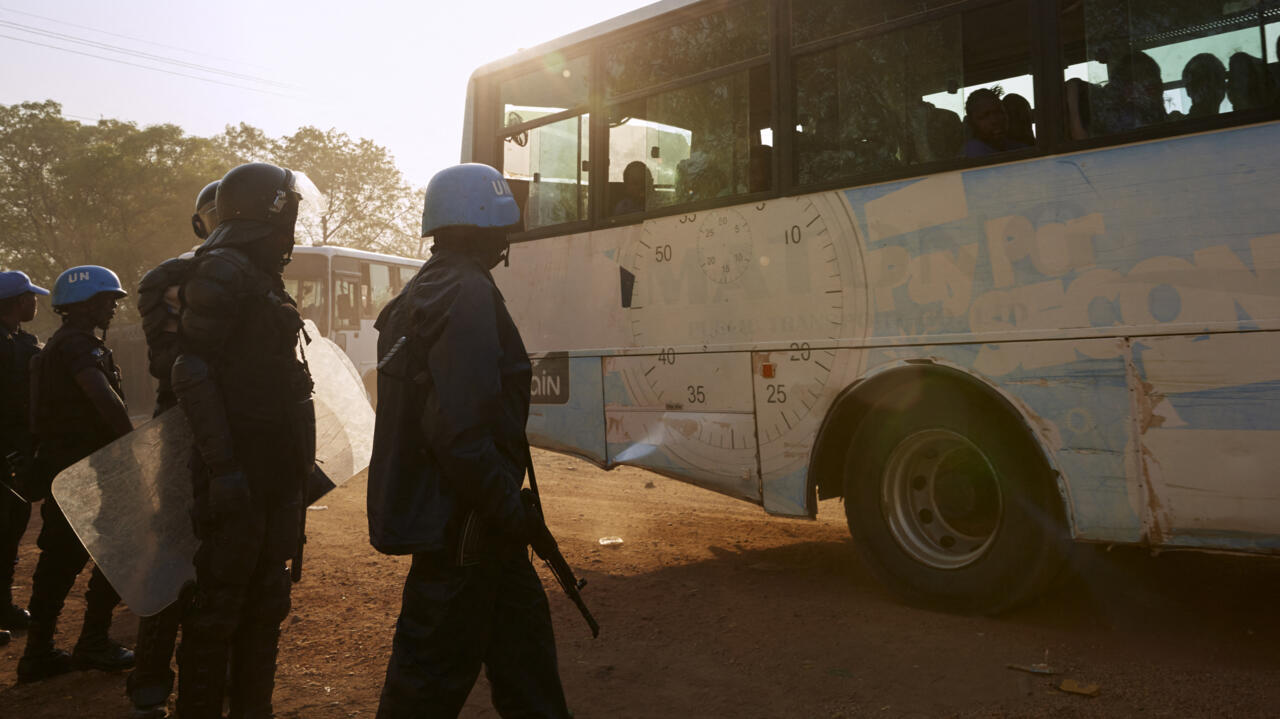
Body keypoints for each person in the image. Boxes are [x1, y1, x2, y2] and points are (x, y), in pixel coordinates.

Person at [369, 163, 570, 719]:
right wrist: (511, 510)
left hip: (474, 525)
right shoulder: (469, 295)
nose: (507, 238)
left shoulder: (421, 293)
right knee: (423, 689)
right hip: (467, 530)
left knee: (528, 671)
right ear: (484, 226)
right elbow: (459, 434)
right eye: (502, 225)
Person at [172, 162, 317, 719]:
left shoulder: (255, 274)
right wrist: (225, 468)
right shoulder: (223, 271)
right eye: (289, 217)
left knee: (266, 605)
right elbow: (191, 370)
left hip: (275, 470)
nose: (293, 231)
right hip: (241, 473)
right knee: (219, 610)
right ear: (265, 213)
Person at [127, 178, 220, 719]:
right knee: (173, 550)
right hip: (184, 426)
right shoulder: (172, 278)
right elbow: (171, 365)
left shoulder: (255, 277)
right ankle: (151, 681)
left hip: (238, 428)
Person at [18, 265, 135, 682]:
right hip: (89, 468)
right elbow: (101, 397)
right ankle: (93, 642)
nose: (113, 308)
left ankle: (38, 651)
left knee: (59, 560)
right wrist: (132, 446)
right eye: (107, 301)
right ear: (85, 305)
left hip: (64, 468)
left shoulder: (58, 347)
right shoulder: (79, 348)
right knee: (117, 551)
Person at [0, 271, 50, 645]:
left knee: (11, 528)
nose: (36, 302)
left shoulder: (17, 340)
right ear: (18, 302)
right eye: (31, 297)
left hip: (13, 451)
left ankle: (3, 606)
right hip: (3, 450)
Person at [962, 88, 1029, 158]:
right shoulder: (971, 153)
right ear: (972, 124)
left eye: (999, 112)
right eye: (985, 116)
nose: (995, 120)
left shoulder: (1018, 147)